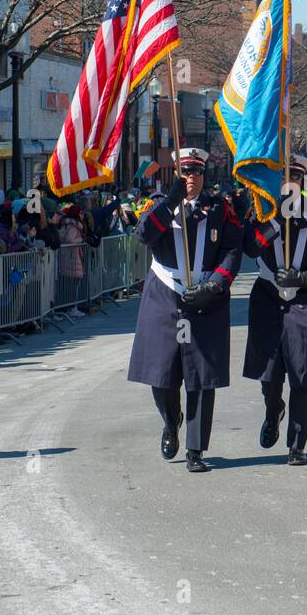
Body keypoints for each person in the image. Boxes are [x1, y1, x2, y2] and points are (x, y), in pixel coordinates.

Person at [128, 148, 242, 473]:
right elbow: (144, 234)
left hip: (205, 298)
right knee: (161, 374)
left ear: (204, 176)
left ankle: (195, 449)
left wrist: (216, 285)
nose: (190, 179)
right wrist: (169, 203)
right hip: (165, 294)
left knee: (201, 377)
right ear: (176, 175)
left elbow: (233, 248)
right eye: (185, 173)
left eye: (196, 173)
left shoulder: (219, 209)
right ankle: (170, 420)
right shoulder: (159, 205)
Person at [240, 154, 307, 466]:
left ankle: (297, 445)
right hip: (268, 297)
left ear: (303, 181)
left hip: (305, 299)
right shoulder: (261, 213)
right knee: (269, 375)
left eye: (296, 177)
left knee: (303, 375)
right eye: (285, 177)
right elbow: (249, 247)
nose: (291, 183)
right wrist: (273, 220)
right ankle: (273, 411)